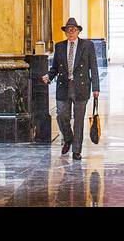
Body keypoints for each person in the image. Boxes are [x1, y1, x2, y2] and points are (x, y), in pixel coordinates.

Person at [42, 17, 100, 160]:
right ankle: (68, 138)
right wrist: (49, 76)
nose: (71, 32)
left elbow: (94, 67)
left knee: (79, 119)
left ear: (78, 31)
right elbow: (55, 67)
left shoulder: (87, 45)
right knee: (62, 115)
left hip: (81, 86)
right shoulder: (60, 46)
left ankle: (76, 150)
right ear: (65, 32)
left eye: (73, 30)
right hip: (64, 86)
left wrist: (96, 87)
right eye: (68, 30)